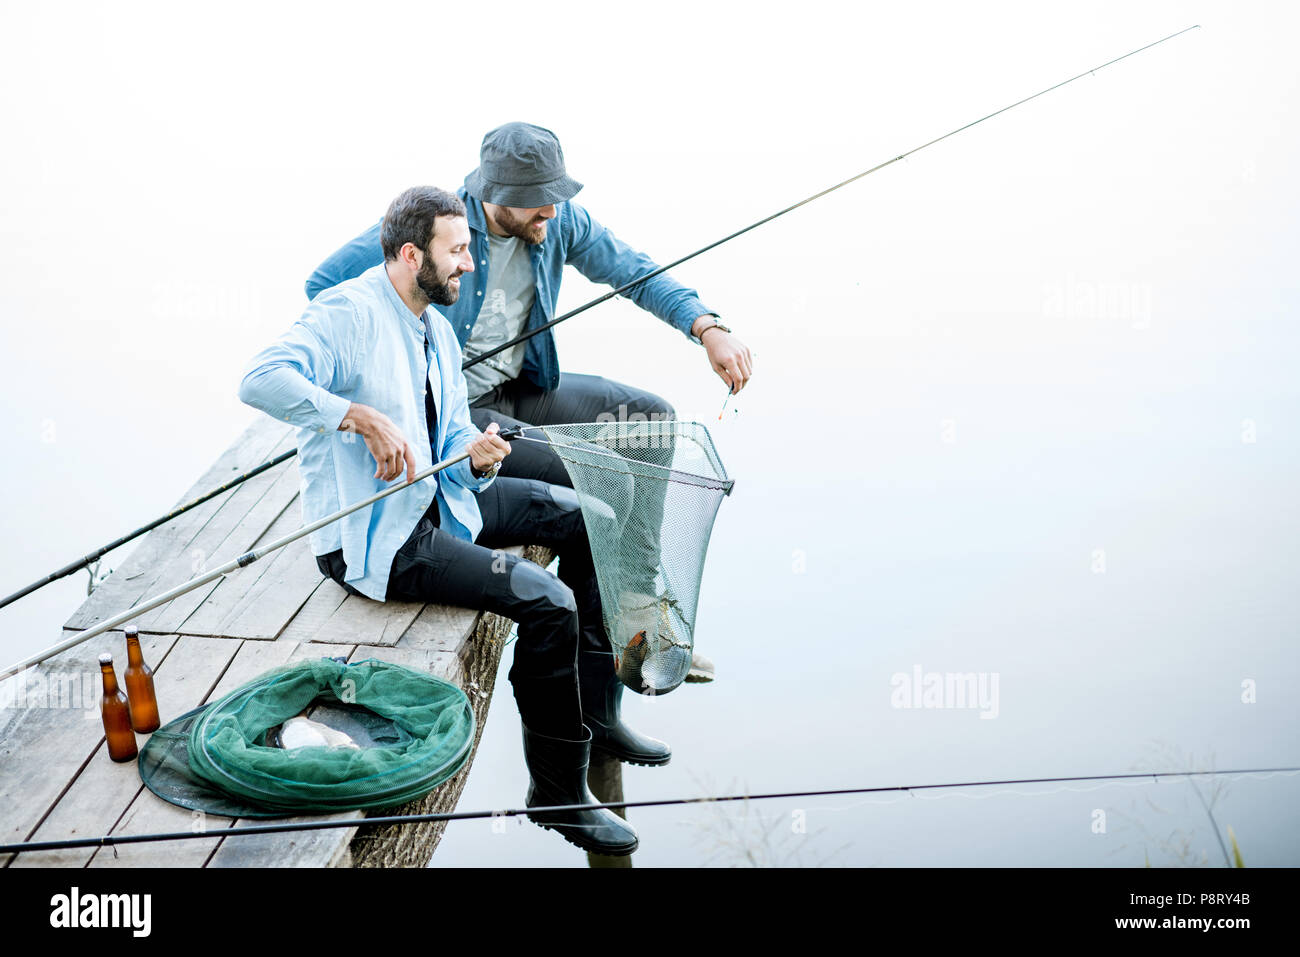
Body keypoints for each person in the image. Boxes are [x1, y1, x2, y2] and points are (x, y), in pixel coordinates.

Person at [238, 185, 644, 856]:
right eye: (457, 251)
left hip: (442, 500)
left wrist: (477, 458)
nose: (470, 264)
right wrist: (357, 416)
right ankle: (558, 791)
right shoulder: (348, 314)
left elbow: (452, 436)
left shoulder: (431, 324)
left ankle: (598, 709)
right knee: (548, 600)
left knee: (586, 515)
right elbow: (261, 378)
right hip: (383, 543)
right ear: (408, 255)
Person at [305, 121, 751, 693]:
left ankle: (637, 609)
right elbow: (324, 286)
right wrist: (394, 373)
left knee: (650, 419)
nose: (552, 213)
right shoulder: (441, 229)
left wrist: (706, 326)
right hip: (464, 412)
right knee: (597, 475)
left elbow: (635, 272)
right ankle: (609, 652)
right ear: (498, 198)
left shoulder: (557, 221)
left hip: (525, 385)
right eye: (540, 204)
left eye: (557, 198)